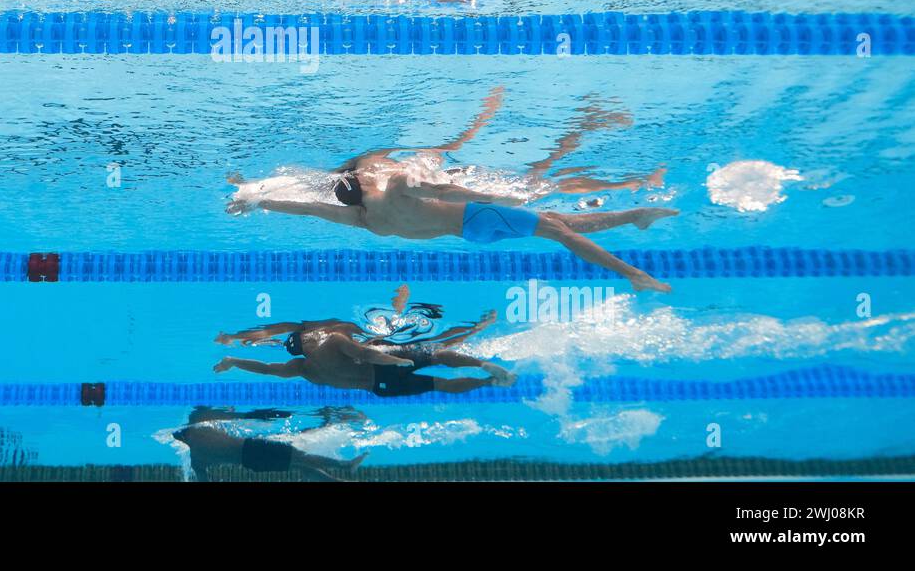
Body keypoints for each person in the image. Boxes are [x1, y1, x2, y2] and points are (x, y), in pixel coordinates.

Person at [227, 92, 676, 292]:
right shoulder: (396, 186)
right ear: (361, 179)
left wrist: (258, 199)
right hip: (478, 218)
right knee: (561, 232)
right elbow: (449, 187)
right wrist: (498, 198)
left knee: (566, 224)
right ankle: (631, 273)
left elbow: (307, 210)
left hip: (471, 233)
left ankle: (634, 216)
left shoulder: (363, 219)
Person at [214, 305, 515, 398]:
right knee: (436, 352)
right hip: (385, 367)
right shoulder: (330, 340)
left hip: (379, 388)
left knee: (442, 385)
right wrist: (396, 359)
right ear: (306, 341)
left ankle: (492, 383)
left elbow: (267, 370)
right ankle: (483, 363)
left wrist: (233, 361)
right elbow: (370, 355)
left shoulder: (302, 369)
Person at [169, 407, 366, 482]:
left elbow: (203, 480)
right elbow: (235, 414)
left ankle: (340, 480)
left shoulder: (197, 459)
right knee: (300, 457)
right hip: (253, 447)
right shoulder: (199, 424)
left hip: (251, 463)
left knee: (298, 465)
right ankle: (344, 466)